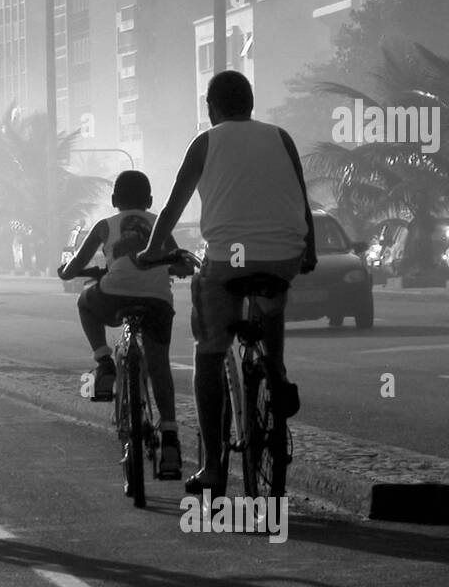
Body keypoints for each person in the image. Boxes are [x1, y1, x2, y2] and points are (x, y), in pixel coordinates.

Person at [137, 70, 317, 498]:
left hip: (226, 259)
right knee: (271, 300)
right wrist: (308, 249)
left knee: (210, 353)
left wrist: (150, 250)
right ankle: (276, 370)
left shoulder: (205, 142)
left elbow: (174, 202)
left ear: (211, 108)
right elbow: (301, 196)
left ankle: (214, 466)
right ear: (251, 104)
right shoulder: (281, 137)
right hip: (284, 253)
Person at [58, 170, 191, 479]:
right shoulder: (159, 223)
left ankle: (104, 363)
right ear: (149, 201)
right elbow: (176, 259)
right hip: (158, 300)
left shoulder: (104, 226)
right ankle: (170, 437)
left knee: (85, 303)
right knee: (159, 366)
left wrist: (66, 271)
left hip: (114, 293)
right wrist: (179, 268)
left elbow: (75, 265)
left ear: (114, 200)